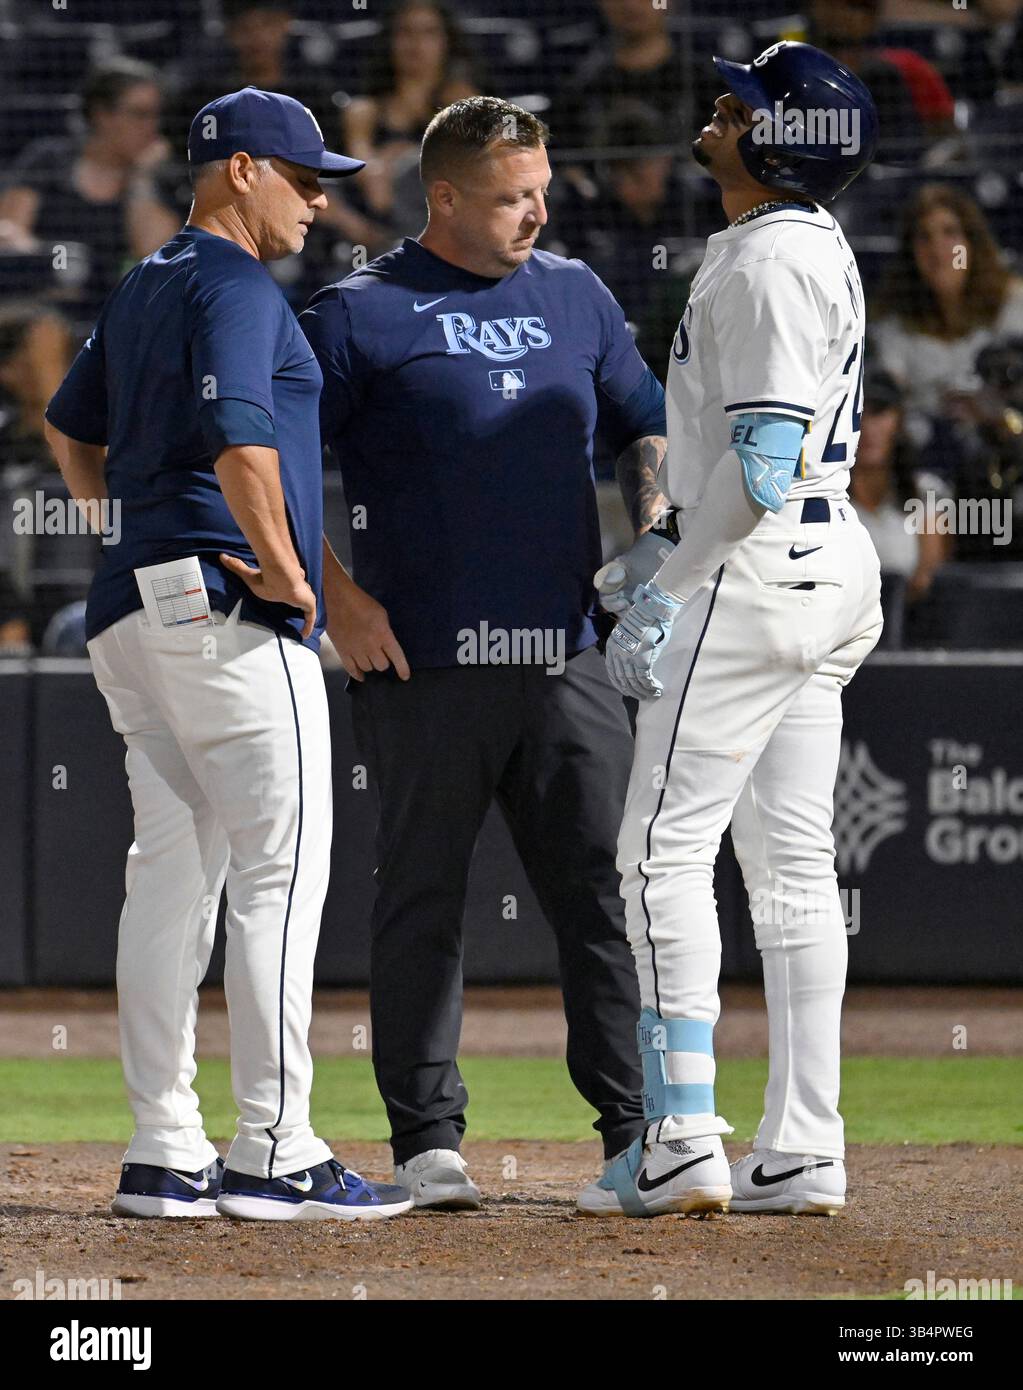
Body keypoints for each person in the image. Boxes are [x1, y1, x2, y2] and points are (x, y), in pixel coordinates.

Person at [43, 87, 412, 1224]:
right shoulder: (238, 282)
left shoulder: (146, 278)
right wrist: (292, 576)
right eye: (304, 177)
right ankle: (278, 1150)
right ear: (241, 170)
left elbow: (69, 425)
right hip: (228, 618)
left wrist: (141, 527)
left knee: (171, 874)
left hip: (132, 615)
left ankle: (164, 1150)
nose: (319, 199)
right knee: (279, 875)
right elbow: (247, 441)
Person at [300, 95, 665, 1210]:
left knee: (606, 902)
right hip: (420, 664)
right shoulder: (355, 314)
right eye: (514, 196)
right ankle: (427, 1141)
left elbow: (642, 423)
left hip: (570, 659)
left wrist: (651, 536)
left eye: (542, 189)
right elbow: (263, 463)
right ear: (445, 197)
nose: (538, 211)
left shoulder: (579, 294)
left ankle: (638, 1131)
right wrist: (337, 600)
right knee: (421, 896)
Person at [582, 42, 884, 1219]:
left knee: (658, 853)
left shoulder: (766, 263)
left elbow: (759, 465)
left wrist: (671, 581)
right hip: (822, 570)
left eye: (742, 104)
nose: (719, 111)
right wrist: (667, 549)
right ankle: (804, 1143)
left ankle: (679, 1137)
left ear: (782, 143)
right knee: (795, 865)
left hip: (755, 577)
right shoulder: (804, 249)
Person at [0, 60, 180, 331]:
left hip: (120, 314)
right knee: (44, 328)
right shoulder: (49, 159)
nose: (152, 127)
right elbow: (10, 229)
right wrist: (53, 265)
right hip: (42, 305)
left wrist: (141, 179)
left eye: (156, 115)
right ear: (102, 115)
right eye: (140, 115)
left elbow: (153, 253)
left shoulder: (162, 180)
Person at [872, 184, 1023, 420]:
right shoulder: (894, 328)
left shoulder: (1013, 304)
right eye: (924, 237)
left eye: (950, 232)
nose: (937, 249)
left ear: (972, 245)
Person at [849, 370, 949, 601]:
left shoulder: (927, 491)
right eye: (858, 414)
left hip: (907, 625)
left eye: (879, 413)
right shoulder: (820, 492)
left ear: (899, 420)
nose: (868, 427)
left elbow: (930, 577)